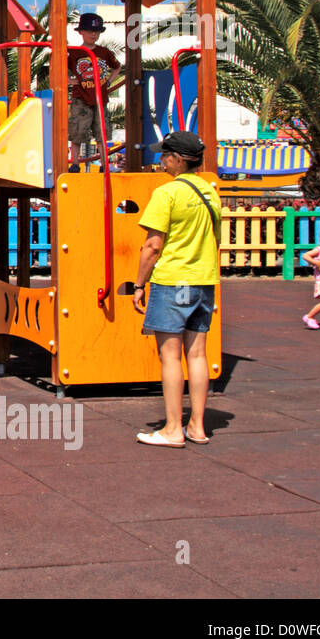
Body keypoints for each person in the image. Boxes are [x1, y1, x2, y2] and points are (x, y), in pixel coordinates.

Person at [131, 131, 221, 448]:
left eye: (165, 155)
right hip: (203, 280)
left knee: (170, 356)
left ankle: (172, 429)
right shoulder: (210, 192)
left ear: (179, 160)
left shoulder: (167, 193)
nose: (161, 160)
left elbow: (152, 246)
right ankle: (197, 426)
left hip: (173, 281)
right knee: (196, 354)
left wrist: (139, 284)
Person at [68, 12, 121, 163]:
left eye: (96, 31)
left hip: (99, 97)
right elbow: (58, 67)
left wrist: (109, 81)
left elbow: (117, 67)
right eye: (90, 31)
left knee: (101, 132)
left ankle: (104, 164)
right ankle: (75, 163)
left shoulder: (104, 52)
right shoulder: (74, 52)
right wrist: (69, 80)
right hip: (81, 97)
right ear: (80, 32)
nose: (93, 34)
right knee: (77, 132)